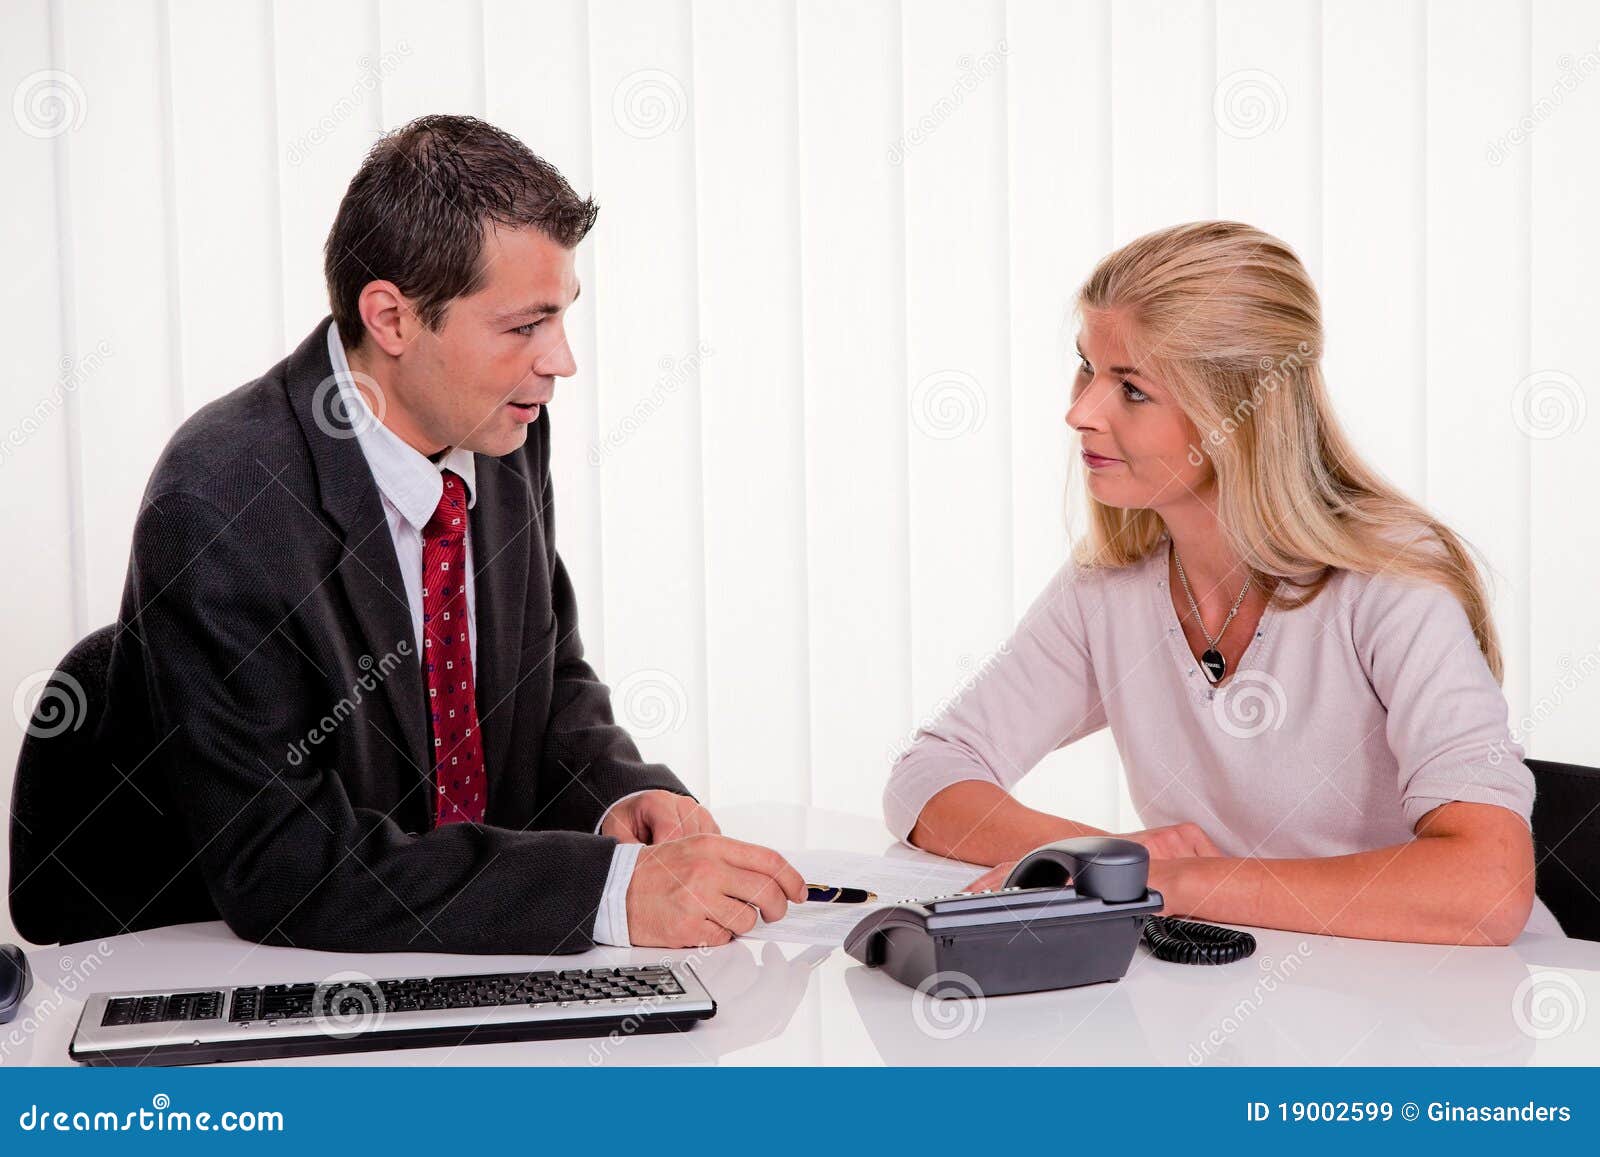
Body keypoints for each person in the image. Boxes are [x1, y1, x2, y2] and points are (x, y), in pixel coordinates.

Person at [104, 114, 803, 954]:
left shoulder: (497, 427)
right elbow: (284, 866)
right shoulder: (219, 501)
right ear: (393, 320)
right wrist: (607, 892)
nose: (562, 361)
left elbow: (545, 685)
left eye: (563, 317)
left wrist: (616, 794)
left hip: (466, 966)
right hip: (252, 984)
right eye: (524, 326)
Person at [884, 220, 1564, 945]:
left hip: (1446, 1024)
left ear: (1237, 415)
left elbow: (1487, 888)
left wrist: (1189, 880)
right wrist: (1106, 858)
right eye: (1086, 367)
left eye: (1132, 389)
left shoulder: (1391, 583)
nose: (1080, 411)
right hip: (1249, 1004)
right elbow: (928, 775)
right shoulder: (1109, 587)